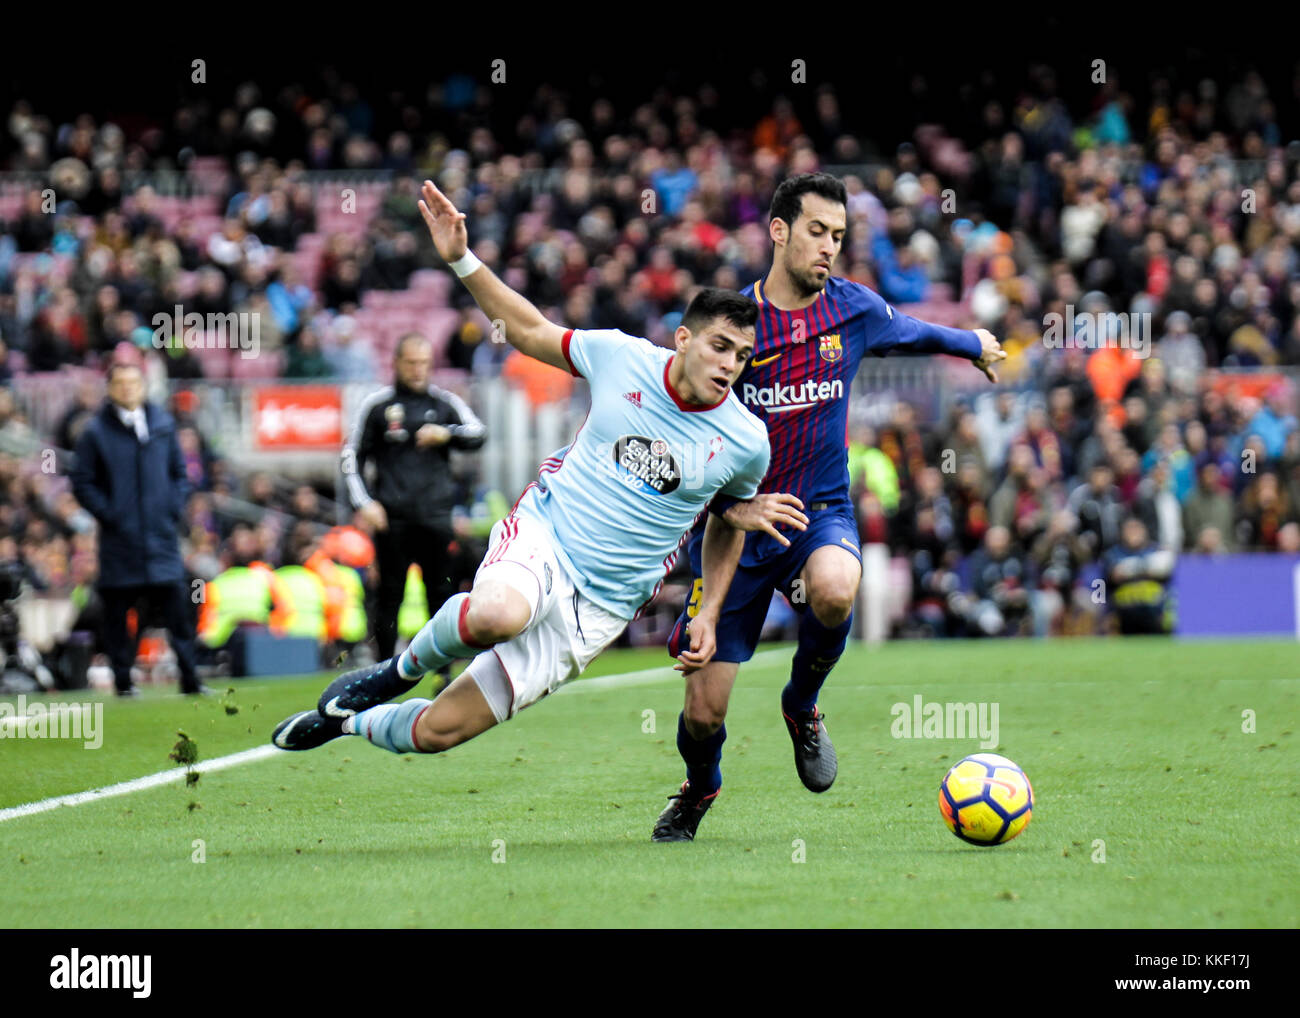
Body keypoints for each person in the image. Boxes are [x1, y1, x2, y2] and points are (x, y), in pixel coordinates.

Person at [272, 182, 802, 803]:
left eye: (741, 357)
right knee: (499, 613)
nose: (728, 365)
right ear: (684, 339)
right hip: (548, 536)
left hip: (599, 607)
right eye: (719, 346)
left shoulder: (745, 440)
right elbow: (527, 330)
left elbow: (725, 519)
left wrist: (709, 610)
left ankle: (347, 723)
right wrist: (461, 259)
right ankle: (394, 672)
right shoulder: (621, 357)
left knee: (439, 731)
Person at [661, 173, 1005, 839]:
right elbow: (692, 429)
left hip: (819, 513)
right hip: (739, 527)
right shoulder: (738, 329)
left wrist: (976, 345)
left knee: (837, 586)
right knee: (703, 714)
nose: (829, 247)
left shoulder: (852, 309)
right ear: (779, 230)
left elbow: (914, 331)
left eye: (839, 236)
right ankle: (699, 789)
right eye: (817, 231)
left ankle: (803, 705)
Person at [340, 332, 487, 671]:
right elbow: (351, 457)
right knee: (389, 599)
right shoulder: (376, 406)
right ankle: (382, 673)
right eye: (411, 363)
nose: (418, 370)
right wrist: (365, 504)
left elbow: (479, 433)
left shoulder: (445, 404)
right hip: (392, 519)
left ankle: (443, 673)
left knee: (442, 596)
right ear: (396, 364)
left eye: (424, 363)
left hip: (437, 518)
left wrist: (446, 433)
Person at [69, 359, 205, 695]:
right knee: (117, 615)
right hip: (120, 541)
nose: (128, 388)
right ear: (111, 388)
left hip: (161, 539)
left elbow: (180, 472)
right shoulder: (95, 432)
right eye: (121, 383)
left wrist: (172, 508)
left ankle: (191, 679)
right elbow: (82, 482)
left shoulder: (163, 424)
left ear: (143, 386)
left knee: (178, 611)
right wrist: (111, 514)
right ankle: (123, 682)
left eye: (134, 382)